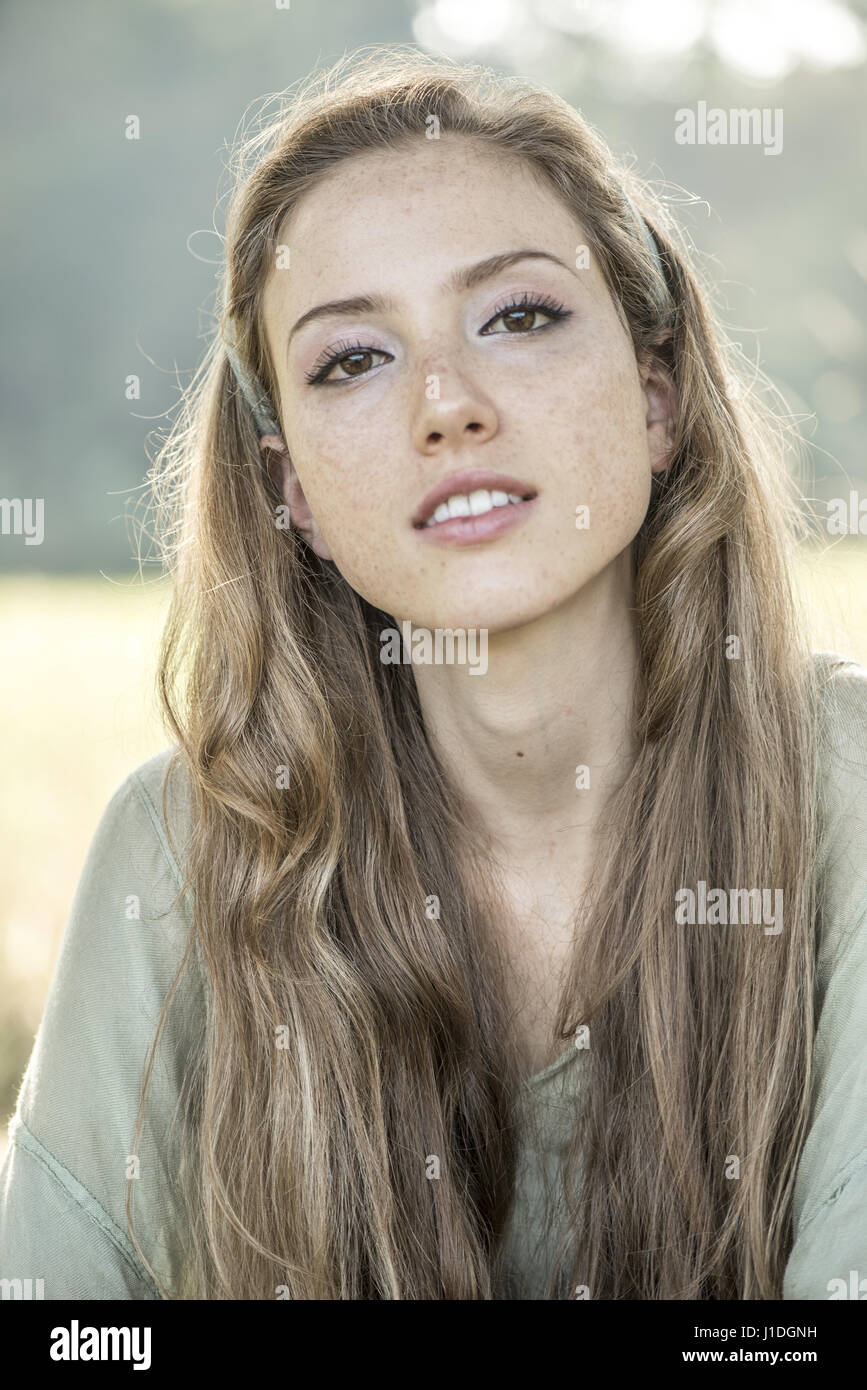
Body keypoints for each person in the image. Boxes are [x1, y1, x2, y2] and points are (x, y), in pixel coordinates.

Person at [2, 48, 866, 1301]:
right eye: (353, 359)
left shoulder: (845, 788)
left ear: (657, 394)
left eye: (519, 315)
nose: (446, 405)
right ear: (292, 487)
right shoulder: (182, 850)